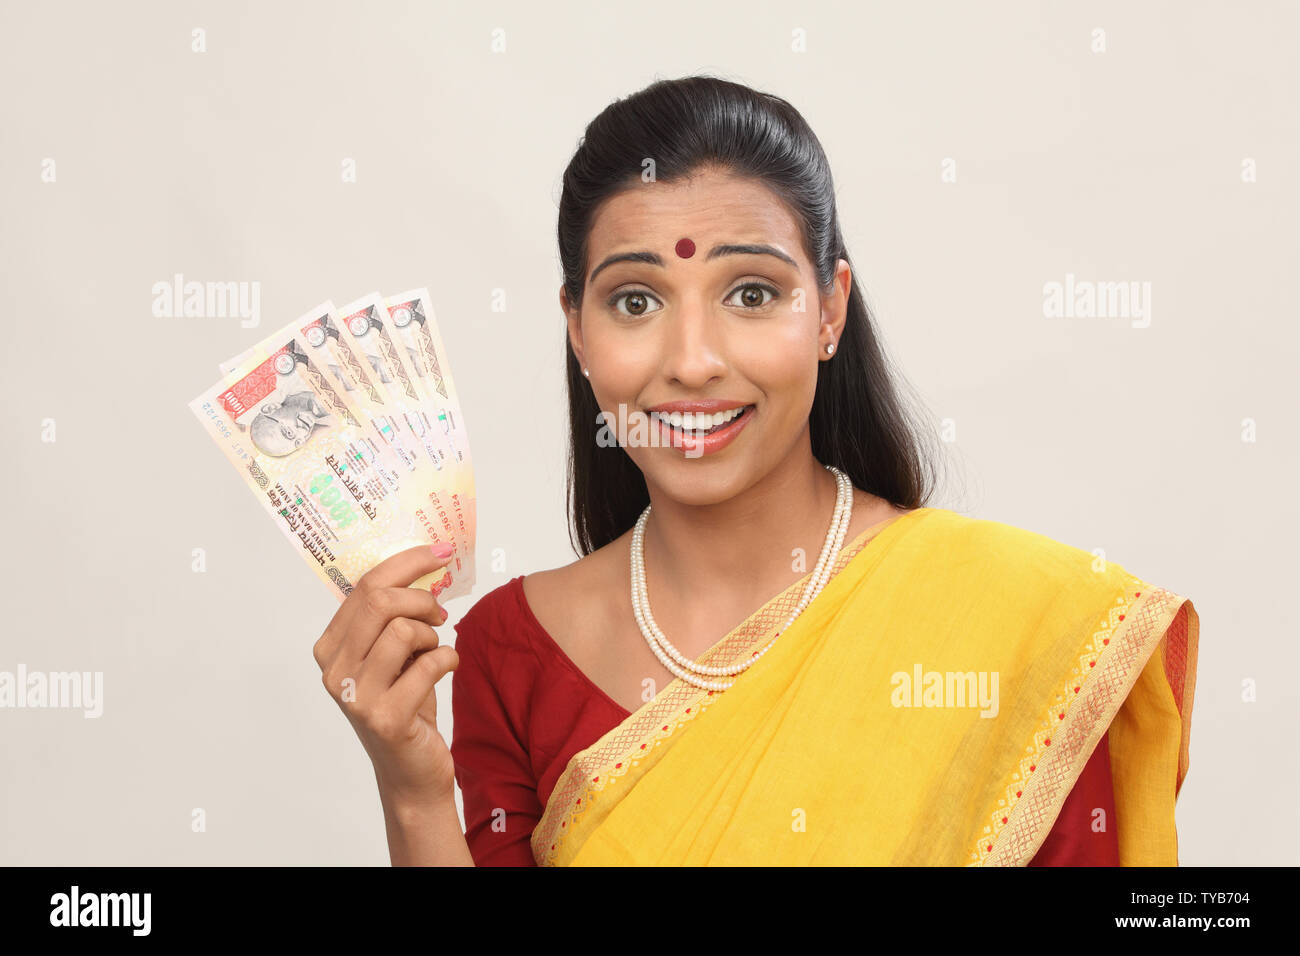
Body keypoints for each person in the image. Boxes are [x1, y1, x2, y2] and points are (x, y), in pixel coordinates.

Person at [312, 75, 1198, 866]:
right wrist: (414, 791)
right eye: (635, 300)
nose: (693, 361)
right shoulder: (513, 647)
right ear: (578, 331)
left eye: (751, 294)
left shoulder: (1026, 624)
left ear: (829, 310)